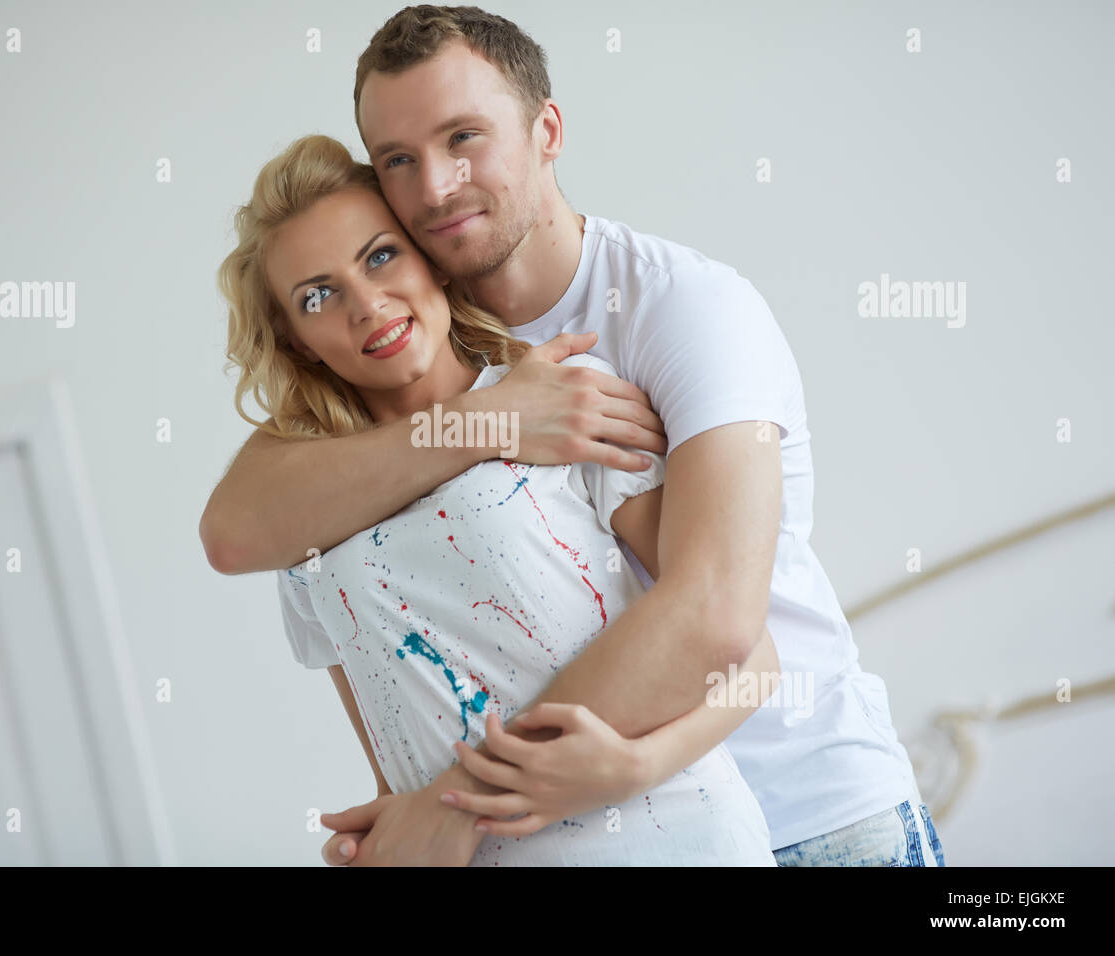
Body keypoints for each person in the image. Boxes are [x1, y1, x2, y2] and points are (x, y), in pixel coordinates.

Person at [203, 5, 946, 867]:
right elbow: (239, 528)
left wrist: (464, 805)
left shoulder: (685, 309)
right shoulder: (446, 361)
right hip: (566, 828)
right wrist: (494, 421)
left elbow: (717, 616)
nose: (436, 186)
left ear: (546, 129)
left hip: (809, 811)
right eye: (399, 160)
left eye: (464, 137)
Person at [220, 131, 782, 865]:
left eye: (380, 255)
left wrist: (639, 763)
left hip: (674, 836)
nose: (366, 304)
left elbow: (752, 655)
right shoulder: (303, 526)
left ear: (429, 258)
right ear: (296, 341)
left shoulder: (567, 402)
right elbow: (397, 754)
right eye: (318, 296)